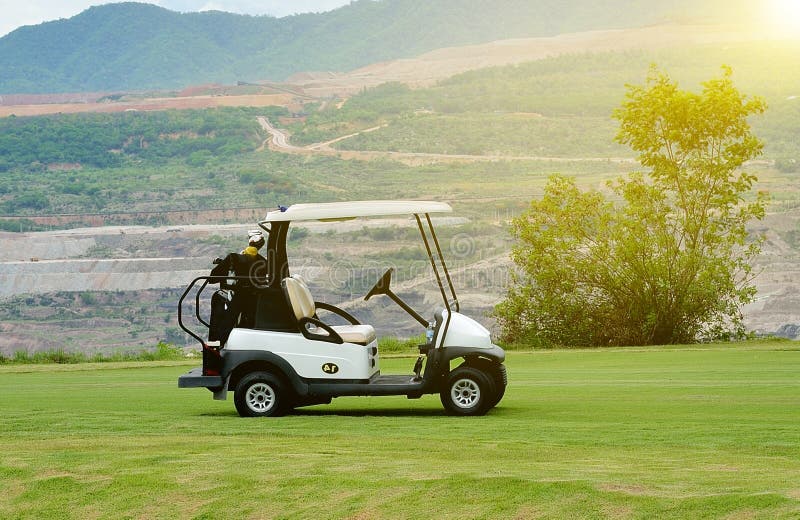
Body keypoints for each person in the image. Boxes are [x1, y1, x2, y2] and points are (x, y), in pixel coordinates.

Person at [207, 230, 268, 345]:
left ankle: (215, 341)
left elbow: (212, 278)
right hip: (252, 300)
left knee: (217, 297)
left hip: (234, 300)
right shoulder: (264, 262)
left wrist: (222, 264)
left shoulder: (232, 258)